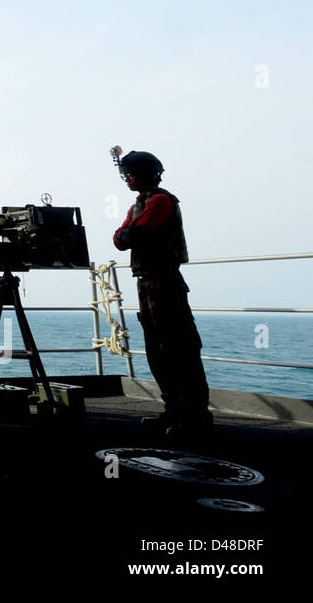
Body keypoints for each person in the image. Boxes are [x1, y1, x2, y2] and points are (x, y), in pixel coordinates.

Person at [113, 150, 211, 439]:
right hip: (147, 283)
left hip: (164, 282)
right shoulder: (138, 205)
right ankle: (174, 411)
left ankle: (194, 417)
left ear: (144, 173)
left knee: (179, 350)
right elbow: (120, 240)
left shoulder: (160, 201)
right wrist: (127, 233)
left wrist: (128, 233)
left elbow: (133, 235)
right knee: (158, 351)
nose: (126, 179)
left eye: (129, 174)